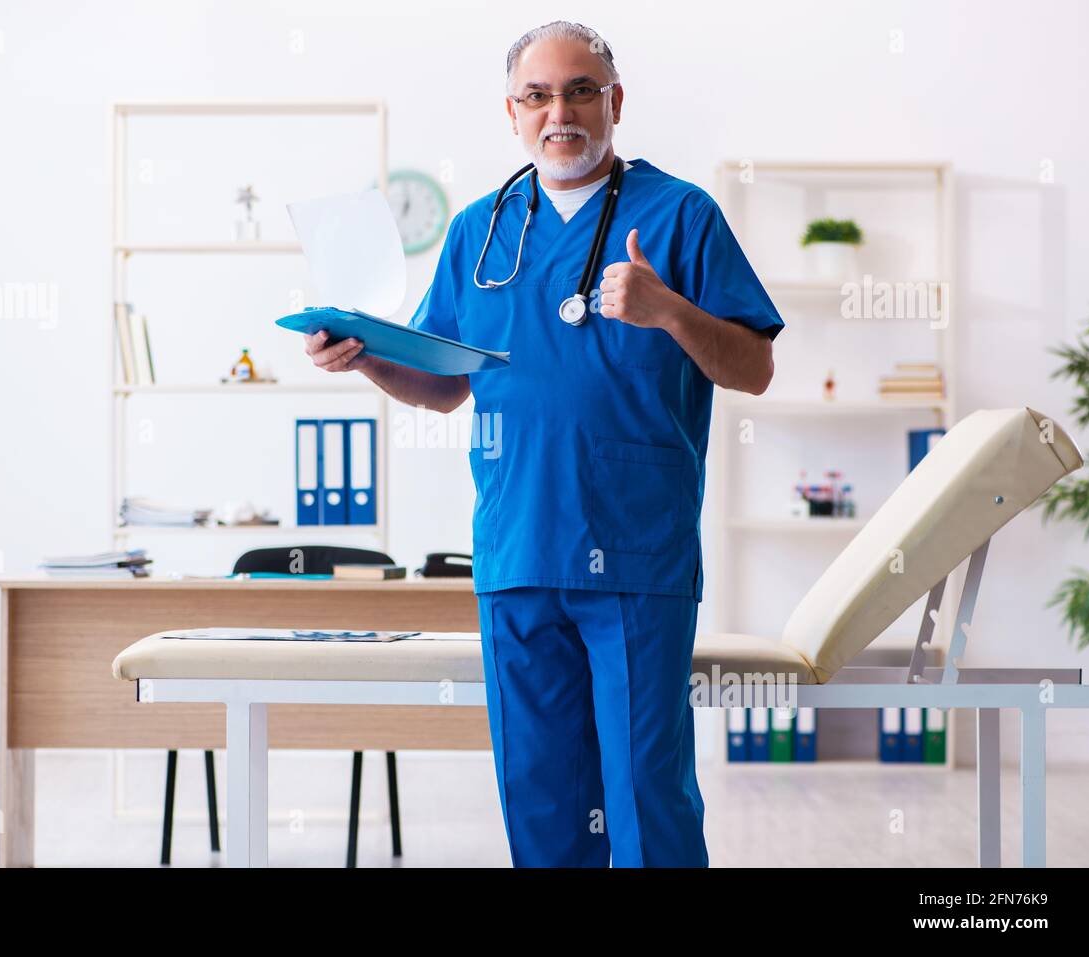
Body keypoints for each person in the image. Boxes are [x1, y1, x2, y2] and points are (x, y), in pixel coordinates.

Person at [304, 20, 783, 867]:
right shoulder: (479, 229)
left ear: (615, 102)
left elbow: (753, 368)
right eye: (537, 95)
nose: (558, 111)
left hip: (636, 554)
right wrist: (366, 360)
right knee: (541, 796)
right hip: (518, 553)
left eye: (579, 91)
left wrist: (669, 310)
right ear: (512, 112)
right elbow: (446, 383)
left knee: (645, 795)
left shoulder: (680, 216)